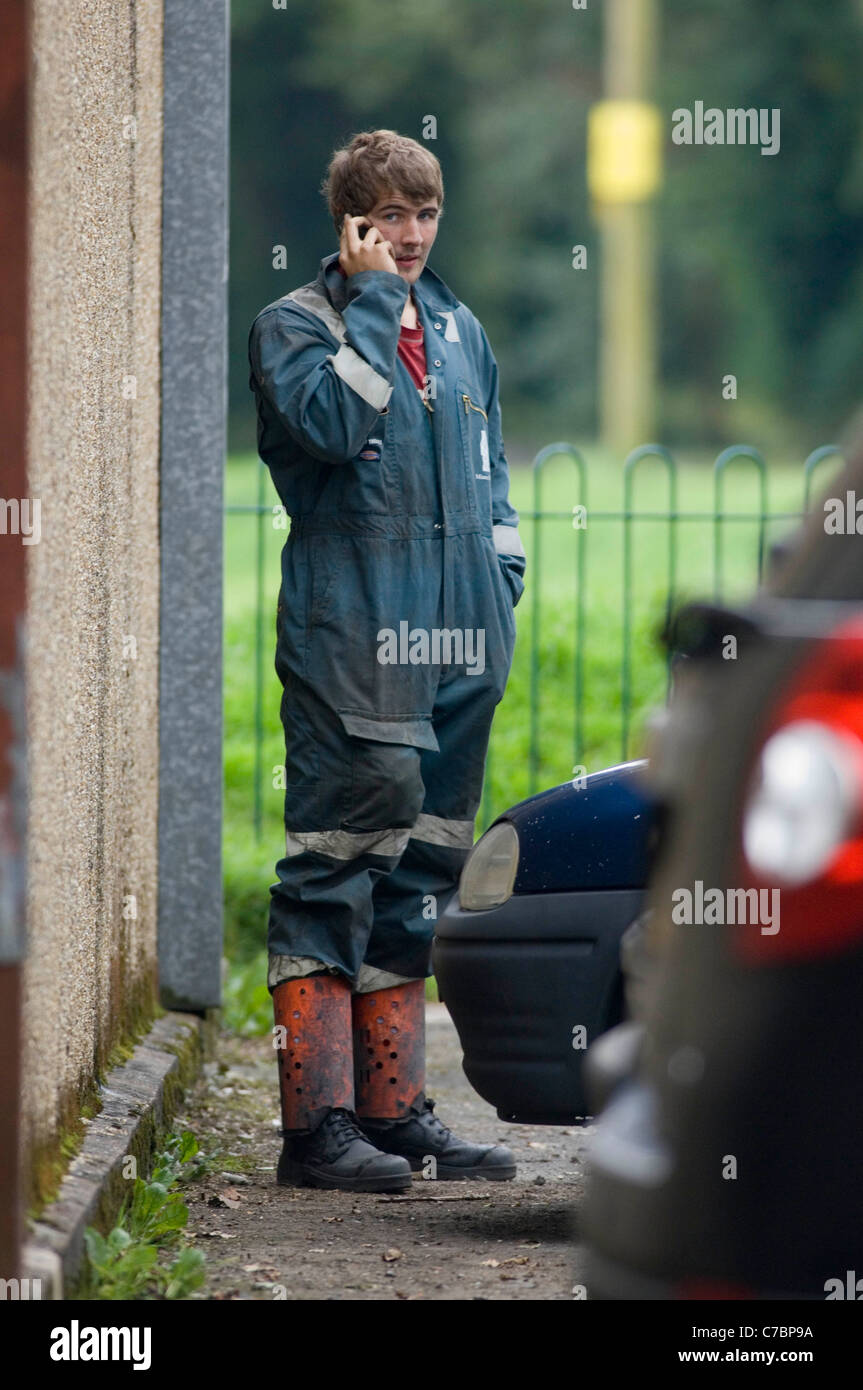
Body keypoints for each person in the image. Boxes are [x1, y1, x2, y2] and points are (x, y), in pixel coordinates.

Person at [248, 130, 525, 1192]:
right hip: (351, 644)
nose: (409, 237)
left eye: (424, 215)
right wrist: (371, 303)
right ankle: (313, 1130)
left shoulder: (459, 329)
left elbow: (492, 470)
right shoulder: (296, 328)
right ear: (349, 225)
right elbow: (326, 424)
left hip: (461, 651)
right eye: (388, 218)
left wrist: (501, 581)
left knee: (419, 875)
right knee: (333, 869)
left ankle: (391, 1109)